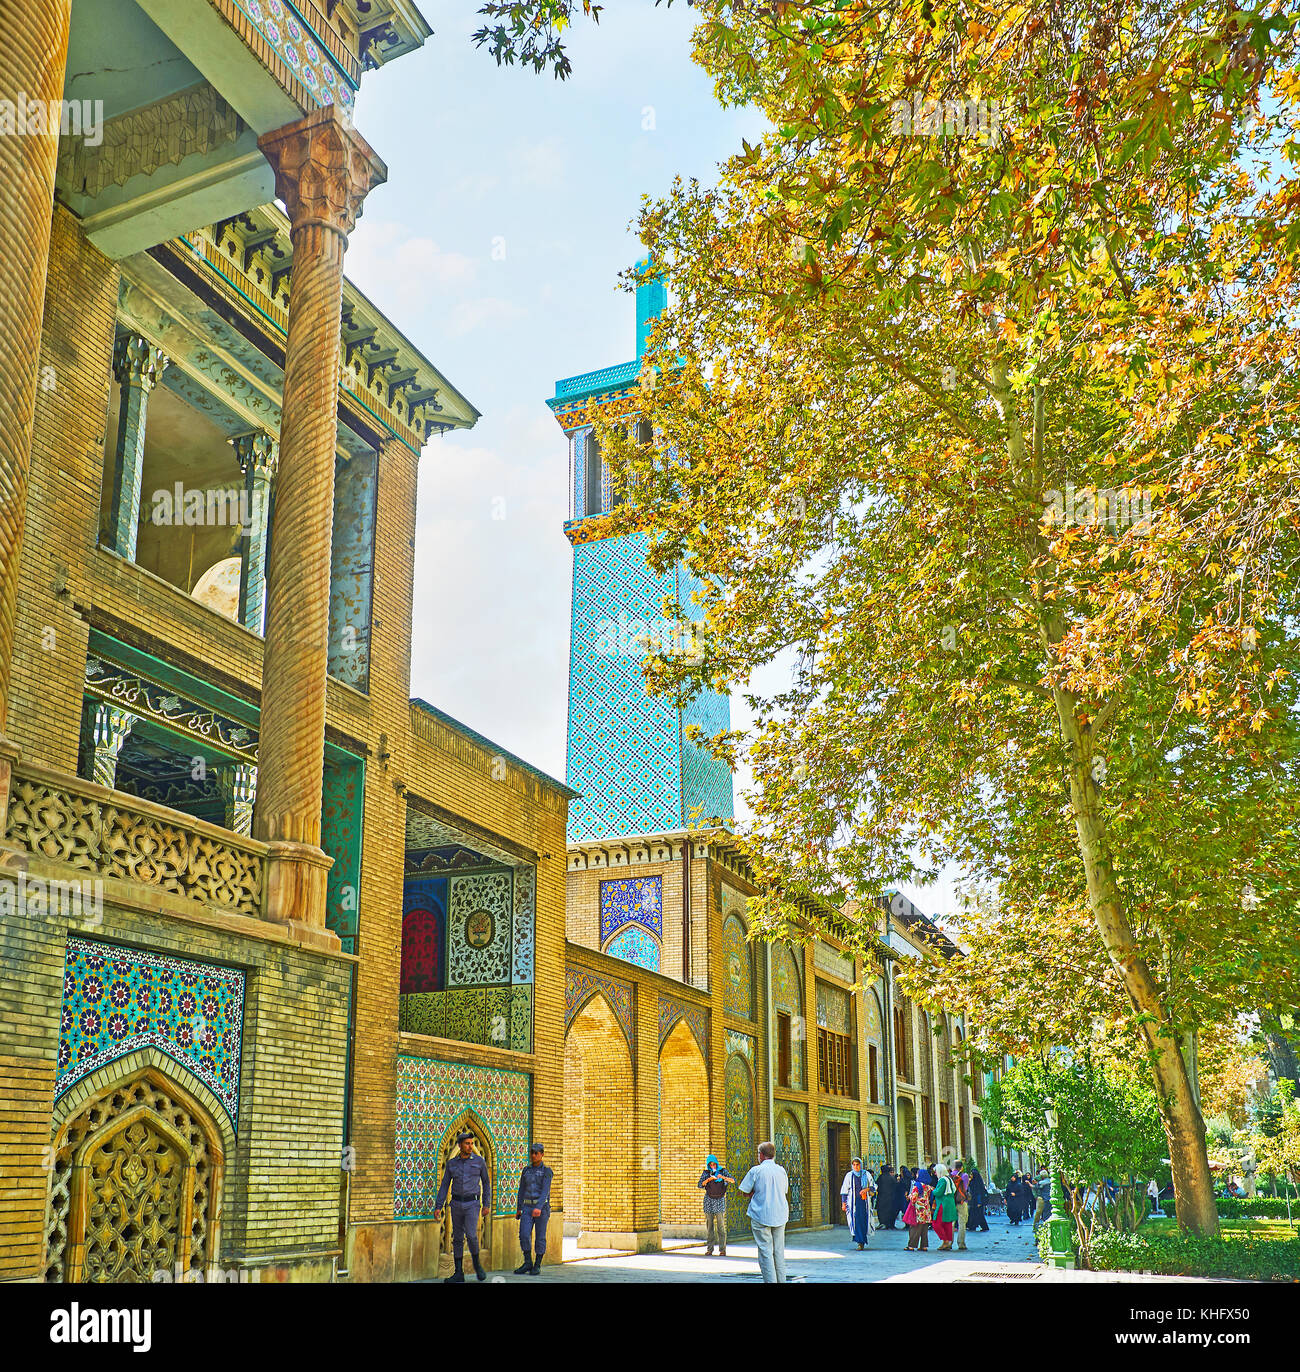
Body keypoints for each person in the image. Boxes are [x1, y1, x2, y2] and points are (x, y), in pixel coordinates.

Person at [433, 1129, 491, 1283]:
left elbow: (486, 1182)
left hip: (472, 1204)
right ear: (459, 1145)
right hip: (456, 1204)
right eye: (467, 1144)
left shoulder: (479, 1162)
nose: (470, 1146)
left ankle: (477, 1265)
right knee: (457, 1238)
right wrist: (439, 1206)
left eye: (471, 1143)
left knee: (472, 1235)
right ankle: (459, 1273)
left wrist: (486, 1203)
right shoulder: (452, 1164)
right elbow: (445, 1185)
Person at [739, 1141, 790, 1283]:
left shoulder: (756, 1170)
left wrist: (753, 1193)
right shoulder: (781, 1170)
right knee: (779, 1252)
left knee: (766, 1252)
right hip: (780, 1214)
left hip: (761, 1214)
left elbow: (744, 1191)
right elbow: (784, 1191)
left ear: (761, 1155)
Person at [514, 1141, 552, 1275]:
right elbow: (521, 1189)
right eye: (532, 1153)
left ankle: (537, 1265)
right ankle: (528, 1262)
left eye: (536, 1153)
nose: (533, 1156)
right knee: (524, 1234)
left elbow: (545, 1191)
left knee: (540, 1237)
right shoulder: (526, 1170)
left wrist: (539, 1207)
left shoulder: (547, 1171)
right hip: (527, 1207)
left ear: (542, 1154)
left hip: (541, 1208)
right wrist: (519, 1207)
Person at [697, 1153, 734, 1256]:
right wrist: (709, 1179)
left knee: (721, 1226)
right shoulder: (706, 1173)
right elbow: (700, 1184)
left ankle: (722, 1249)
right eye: (710, 1164)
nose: (713, 1166)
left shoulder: (723, 1171)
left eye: (714, 1164)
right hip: (709, 1201)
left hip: (719, 1201)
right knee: (710, 1226)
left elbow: (732, 1180)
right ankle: (710, 1249)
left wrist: (722, 1177)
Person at [841, 1156, 871, 1250]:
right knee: (856, 1221)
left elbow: (873, 1186)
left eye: (857, 1165)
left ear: (860, 1165)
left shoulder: (866, 1174)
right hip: (853, 1203)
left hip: (864, 1202)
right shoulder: (849, 1175)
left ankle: (862, 1240)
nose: (856, 1167)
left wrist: (866, 1189)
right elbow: (844, 1190)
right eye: (854, 1165)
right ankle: (859, 1241)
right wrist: (843, 1203)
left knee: (863, 1221)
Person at [902, 1166, 934, 1251]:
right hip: (926, 1210)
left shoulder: (917, 1185)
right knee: (924, 1230)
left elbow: (913, 1199)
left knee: (914, 1229)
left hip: (918, 1210)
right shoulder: (928, 1187)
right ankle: (924, 1246)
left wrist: (909, 1196)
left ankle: (911, 1245)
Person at [930, 1162, 957, 1250]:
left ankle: (945, 1240)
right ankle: (948, 1242)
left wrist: (933, 1190)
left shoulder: (942, 1180)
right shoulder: (948, 1179)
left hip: (943, 1204)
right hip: (950, 1203)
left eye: (935, 1171)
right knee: (947, 1223)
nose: (935, 1173)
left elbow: (938, 1192)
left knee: (936, 1223)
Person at [877, 1164, 900, 1229]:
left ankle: (883, 1223)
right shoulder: (891, 1178)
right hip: (890, 1197)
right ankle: (888, 1224)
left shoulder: (881, 1177)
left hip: (882, 1197)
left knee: (882, 1211)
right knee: (889, 1211)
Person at [967, 1165, 990, 1232]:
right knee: (973, 1213)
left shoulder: (977, 1184)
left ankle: (983, 1227)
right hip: (973, 1201)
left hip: (977, 1201)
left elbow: (979, 1194)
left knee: (979, 1215)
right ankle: (972, 1226)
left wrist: (979, 1202)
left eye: (971, 1174)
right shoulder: (972, 1182)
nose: (970, 1175)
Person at [954, 1165, 971, 1251]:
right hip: (961, 1201)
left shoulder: (950, 1175)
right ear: (961, 1167)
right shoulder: (964, 1176)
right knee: (962, 1222)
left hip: (952, 1201)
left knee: (951, 1223)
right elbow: (966, 1187)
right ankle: (961, 1243)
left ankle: (948, 1243)